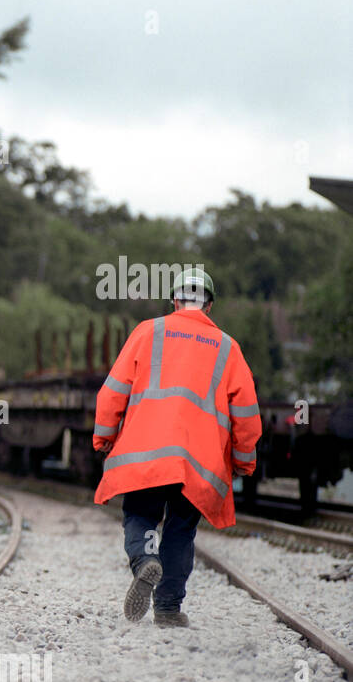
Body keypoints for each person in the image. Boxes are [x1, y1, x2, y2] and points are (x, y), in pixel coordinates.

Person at [92, 267, 261, 626]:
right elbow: (246, 414)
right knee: (182, 529)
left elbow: (112, 392)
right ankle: (168, 608)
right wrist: (244, 461)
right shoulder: (229, 348)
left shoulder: (147, 332)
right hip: (199, 463)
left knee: (140, 514)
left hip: (146, 454)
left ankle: (144, 558)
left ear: (175, 300)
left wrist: (104, 438)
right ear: (210, 306)